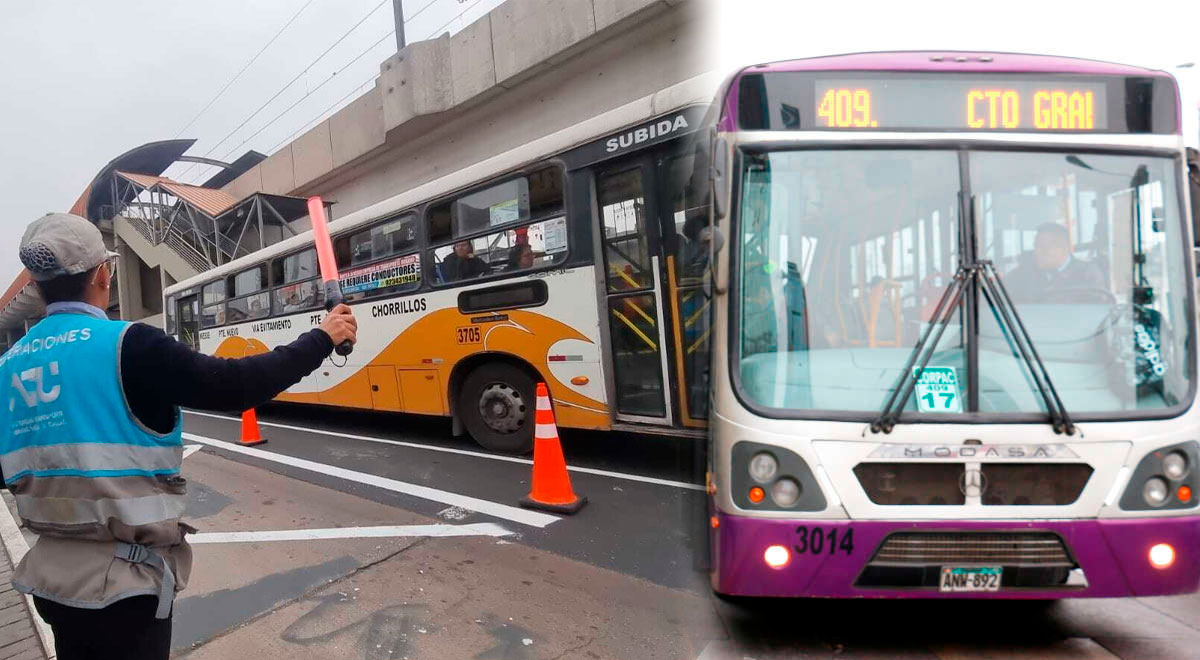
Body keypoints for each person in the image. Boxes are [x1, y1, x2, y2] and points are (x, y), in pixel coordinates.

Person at [0, 213, 358, 659]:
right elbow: (234, 385)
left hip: (53, 582)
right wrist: (323, 337)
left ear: (36, 285)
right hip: (126, 587)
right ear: (102, 274)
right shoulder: (128, 344)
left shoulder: (8, 367)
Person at [1005, 223, 1106, 302]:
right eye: (1036, 246)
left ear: (1065, 248)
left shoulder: (1088, 274)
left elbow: (1096, 312)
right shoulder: (1022, 275)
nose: (1037, 252)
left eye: (1044, 247)